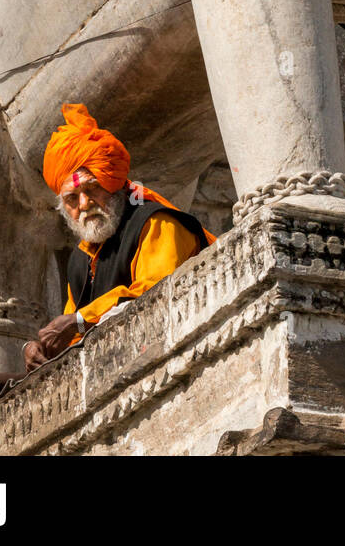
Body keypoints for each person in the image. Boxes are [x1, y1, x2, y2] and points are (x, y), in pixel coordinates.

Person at [22, 103, 213, 373]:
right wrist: (43, 348)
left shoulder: (155, 222)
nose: (85, 203)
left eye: (92, 188)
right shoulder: (81, 259)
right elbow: (74, 334)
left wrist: (79, 321)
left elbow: (157, 293)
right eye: (72, 199)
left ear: (113, 184)